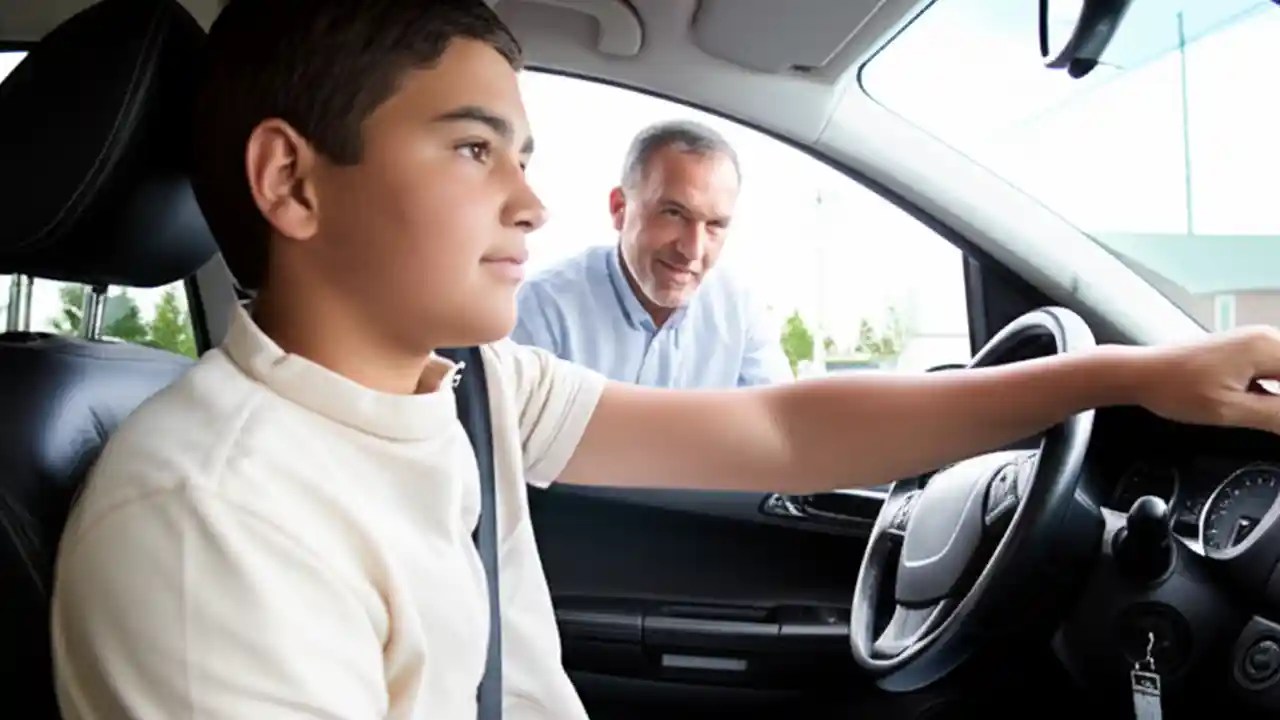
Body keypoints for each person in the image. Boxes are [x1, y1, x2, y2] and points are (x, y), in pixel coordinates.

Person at [48, 0, 1280, 718]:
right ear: (290, 183)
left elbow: (782, 436)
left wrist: (1126, 376)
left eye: (523, 156)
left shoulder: (468, 387)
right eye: (476, 151)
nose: (530, 204)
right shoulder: (212, 524)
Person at [512, 120, 792, 387]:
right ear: (619, 208)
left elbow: (785, 426)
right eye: (674, 214)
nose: (692, 250)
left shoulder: (738, 311)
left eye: (715, 225)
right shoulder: (544, 310)